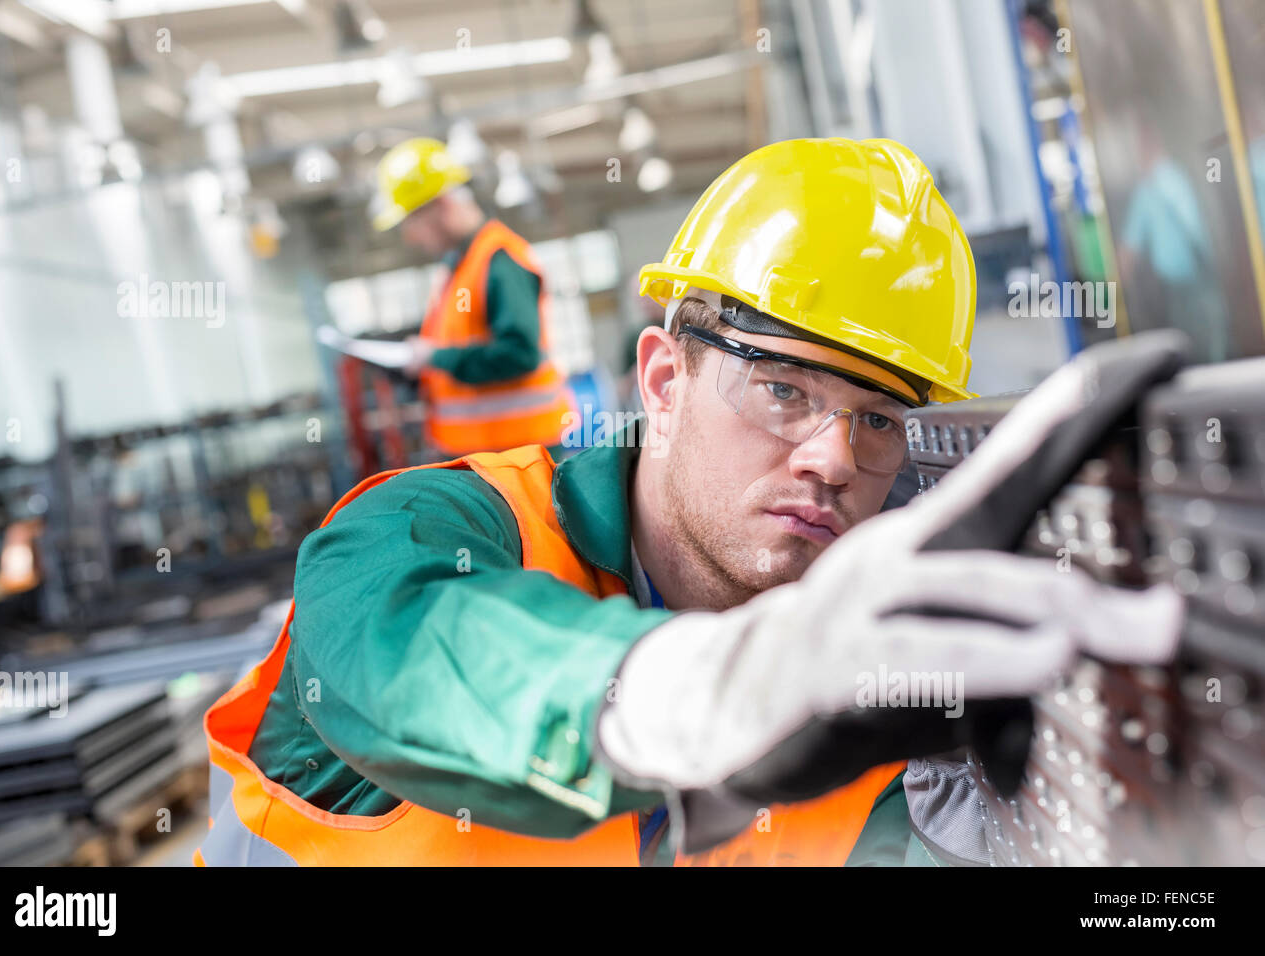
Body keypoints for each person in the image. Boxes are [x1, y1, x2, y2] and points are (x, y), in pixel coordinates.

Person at [196, 138, 1181, 866]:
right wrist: (704, 694)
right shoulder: (427, 536)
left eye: (879, 419)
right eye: (785, 390)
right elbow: (424, 658)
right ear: (662, 381)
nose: (834, 457)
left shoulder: (854, 694)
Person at [373, 137, 574, 456]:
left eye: (412, 221)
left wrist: (434, 358)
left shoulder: (500, 261)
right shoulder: (456, 267)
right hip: (482, 455)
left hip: (519, 456)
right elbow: (459, 349)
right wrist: (419, 366)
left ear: (442, 205)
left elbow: (519, 353)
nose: (410, 237)